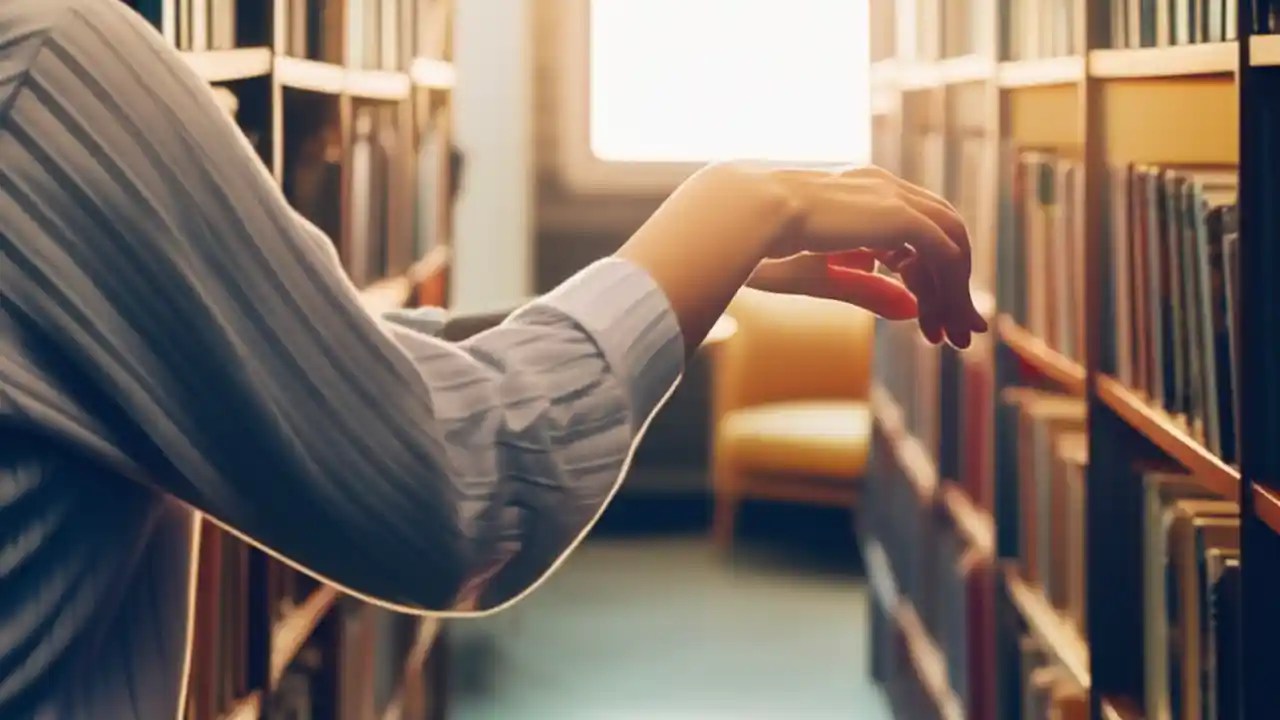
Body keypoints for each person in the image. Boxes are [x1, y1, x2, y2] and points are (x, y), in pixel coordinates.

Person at [0, 0, 986, 717]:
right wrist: (736, 203)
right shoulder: (46, 64)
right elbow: (458, 491)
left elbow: (328, 364)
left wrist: (696, 266)